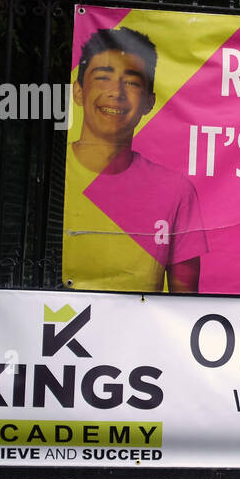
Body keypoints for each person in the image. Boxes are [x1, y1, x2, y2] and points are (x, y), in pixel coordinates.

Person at [63, 27, 207, 293]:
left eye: (131, 82)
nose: (116, 92)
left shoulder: (176, 191)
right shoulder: (57, 177)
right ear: (79, 92)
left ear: (149, 102)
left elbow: (187, 303)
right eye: (103, 77)